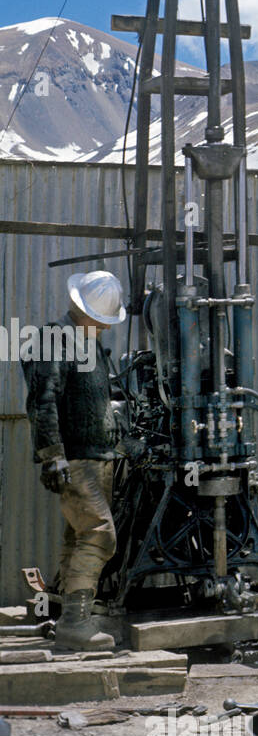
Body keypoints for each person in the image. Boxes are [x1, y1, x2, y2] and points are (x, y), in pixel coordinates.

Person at [23, 270, 126, 651]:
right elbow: (42, 401)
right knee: (100, 535)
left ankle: (67, 617)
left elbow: (99, 396)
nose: (106, 327)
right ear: (84, 313)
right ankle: (76, 625)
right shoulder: (55, 340)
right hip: (77, 460)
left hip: (97, 457)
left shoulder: (88, 344)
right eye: (103, 320)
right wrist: (52, 457)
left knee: (79, 536)